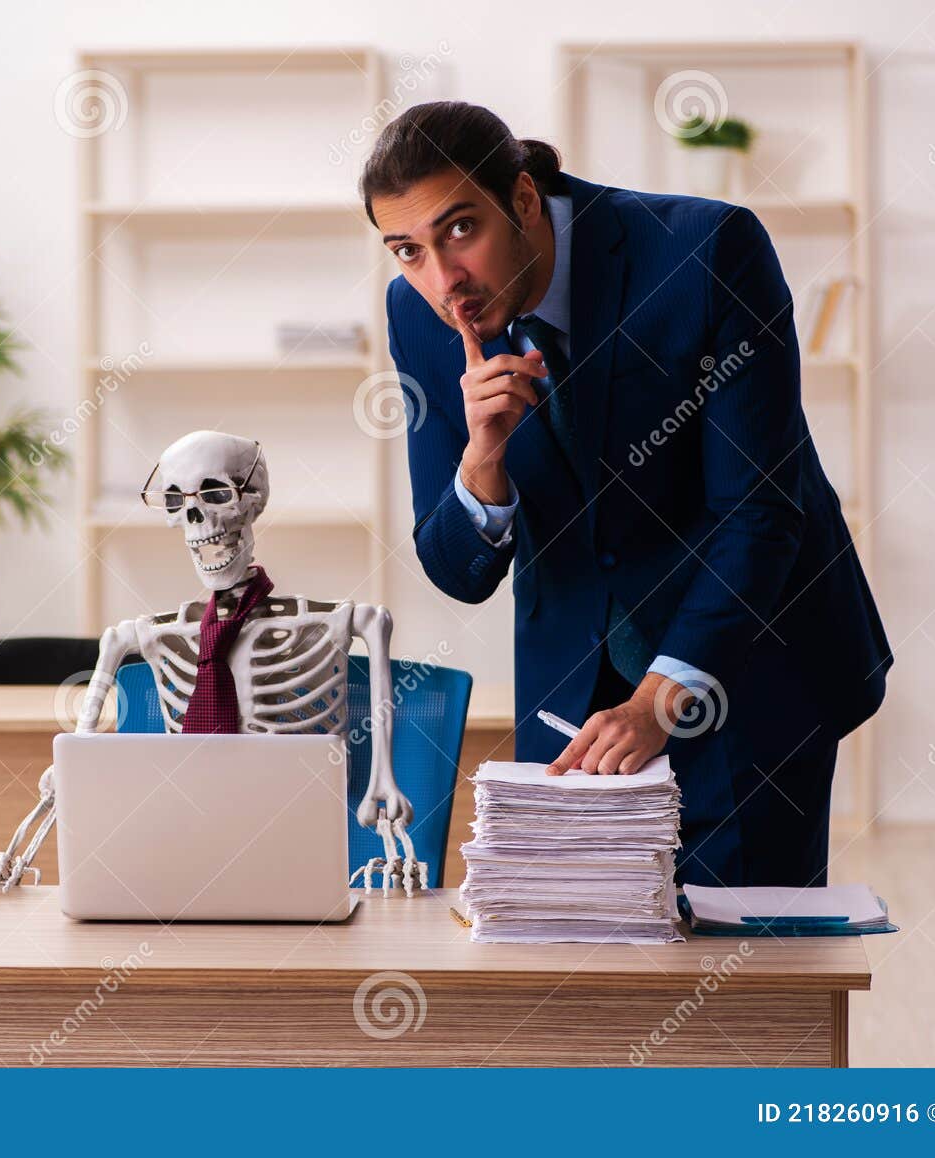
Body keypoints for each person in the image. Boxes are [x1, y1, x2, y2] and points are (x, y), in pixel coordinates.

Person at [361, 101, 891, 887]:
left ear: (524, 200)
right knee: (578, 962)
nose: (443, 280)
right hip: (572, 697)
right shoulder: (420, 311)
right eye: (407, 249)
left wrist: (657, 703)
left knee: (745, 976)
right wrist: (481, 465)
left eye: (460, 230)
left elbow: (759, 513)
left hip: (747, 667)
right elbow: (455, 571)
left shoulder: (705, 251)